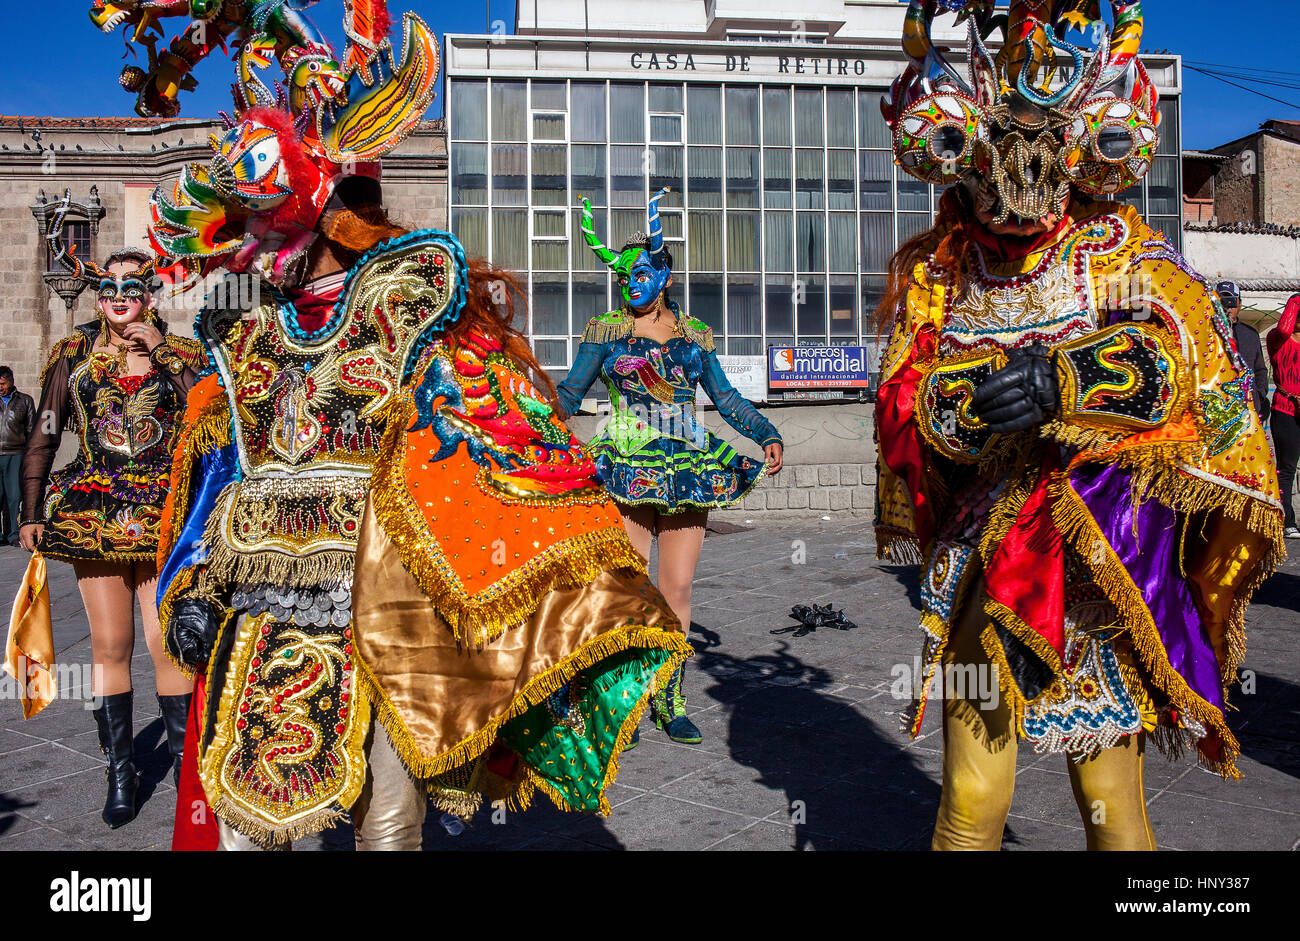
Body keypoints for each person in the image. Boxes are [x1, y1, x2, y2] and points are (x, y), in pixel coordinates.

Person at [149, 2, 688, 850]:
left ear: (323, 209)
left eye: (262, 214)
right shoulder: (246, 338)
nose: (246, 242)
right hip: (264, 617)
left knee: (388, 828)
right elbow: (226, 474)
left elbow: (504, 446)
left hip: (385, 618)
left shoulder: (412, 313)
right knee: (247, 828)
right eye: (242, 219)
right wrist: (195, 586)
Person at [875, 0, 1283, 850]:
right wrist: (975, 400)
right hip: (983, 563)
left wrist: (1068, 379)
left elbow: (1191, 361)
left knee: (1113, 811)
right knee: (970, 802)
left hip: (1098, 566)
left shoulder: (1118, 254)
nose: (1016, 196)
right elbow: (904, 407)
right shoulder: (942, 277)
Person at [556, 189, 784, 745]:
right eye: (625, 275)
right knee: (631, 590)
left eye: (642, 273)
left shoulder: (695, 337)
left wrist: (766, 433)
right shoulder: (605, 332)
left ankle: (669, 694)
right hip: (626, 464)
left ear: (666, 280)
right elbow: (567, 395)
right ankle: (625, 699)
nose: (631, 282)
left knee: (676, 589)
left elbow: (725, 398)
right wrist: (531, 428)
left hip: (688, 469)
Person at [18, 215, 203, 828]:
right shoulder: (71, 353)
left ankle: (183, 770)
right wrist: (30, 509)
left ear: (151, 295)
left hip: (162, 514)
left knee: (165, 641)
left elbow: (205, 413)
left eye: (134, 288)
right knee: (110, 644)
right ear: (98, 296)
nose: (121, 298)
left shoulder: (179, 352)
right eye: (111, 288)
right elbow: (43, 434)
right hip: (95, 508)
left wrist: (161, 351)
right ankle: (120, 774)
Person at [1267, 293, 1300, 538]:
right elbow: (1284, 328)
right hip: (1285, 409)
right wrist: (1296, 300)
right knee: (1286, 468)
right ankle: (1287, 520)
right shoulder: (1278, 340)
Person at [1216, 281, 1270, 420]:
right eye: (1222, 301)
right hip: (1218, 406)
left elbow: (1260, 369)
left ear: (1239, 303)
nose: (1227, 306)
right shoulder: (1208, 332)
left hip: (1249, 406)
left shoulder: (1250, 334)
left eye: (1231, 300)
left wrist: (1259, 394)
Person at [0, 365, 36, 545]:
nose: (0, 387)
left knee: (14, 496)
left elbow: (31, 430)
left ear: (11, 382)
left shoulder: (25, 401)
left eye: (2, 384)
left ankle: (13, 533)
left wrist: (31, 455)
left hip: (16, 453)